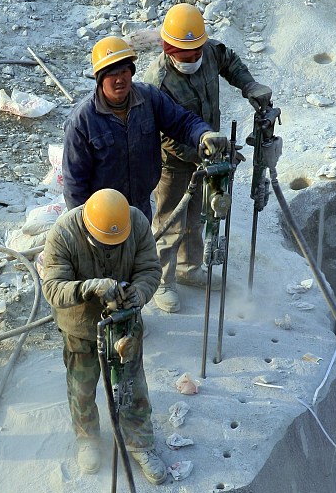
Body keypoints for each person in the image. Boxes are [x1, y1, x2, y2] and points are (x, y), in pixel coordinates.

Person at [62, 35, 226, 317]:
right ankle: (112, 324)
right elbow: (74, 182)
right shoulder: (83, 121)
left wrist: (203, 134)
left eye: (124, 71)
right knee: (107, 273)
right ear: (99, 79)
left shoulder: (148, 98)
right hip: (102, 214)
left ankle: (131, 319)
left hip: (139, 204)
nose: (119, 79)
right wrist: (83, 227)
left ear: (132, 72)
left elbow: (181, 121)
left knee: (133, 264)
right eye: (111, 74)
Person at [144, 3, 273, 312]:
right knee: (171, 220)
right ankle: (162, 281)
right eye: (185, 56)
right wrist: (205, 155)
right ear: (169, 49)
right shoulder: (158, 82)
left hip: (208, 149)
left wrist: (249, 85)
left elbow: (230, 62)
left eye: (195, 54)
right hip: (174, 163)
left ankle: (189, 269)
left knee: (196, 217)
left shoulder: (210, 52)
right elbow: (164, 135)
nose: (192, 60)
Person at [41, 187, 167, 485]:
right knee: (82, 387)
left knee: (132, 386)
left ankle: (140, 442)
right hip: (81, 328)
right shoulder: (64, 233)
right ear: (87, 230)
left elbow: (149, 269)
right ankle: (87, 439)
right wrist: (88, 288)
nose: (109, 248)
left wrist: (140, 292)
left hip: (124, 325)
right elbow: (52, 288)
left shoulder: (135, 223)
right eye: (102, 244)